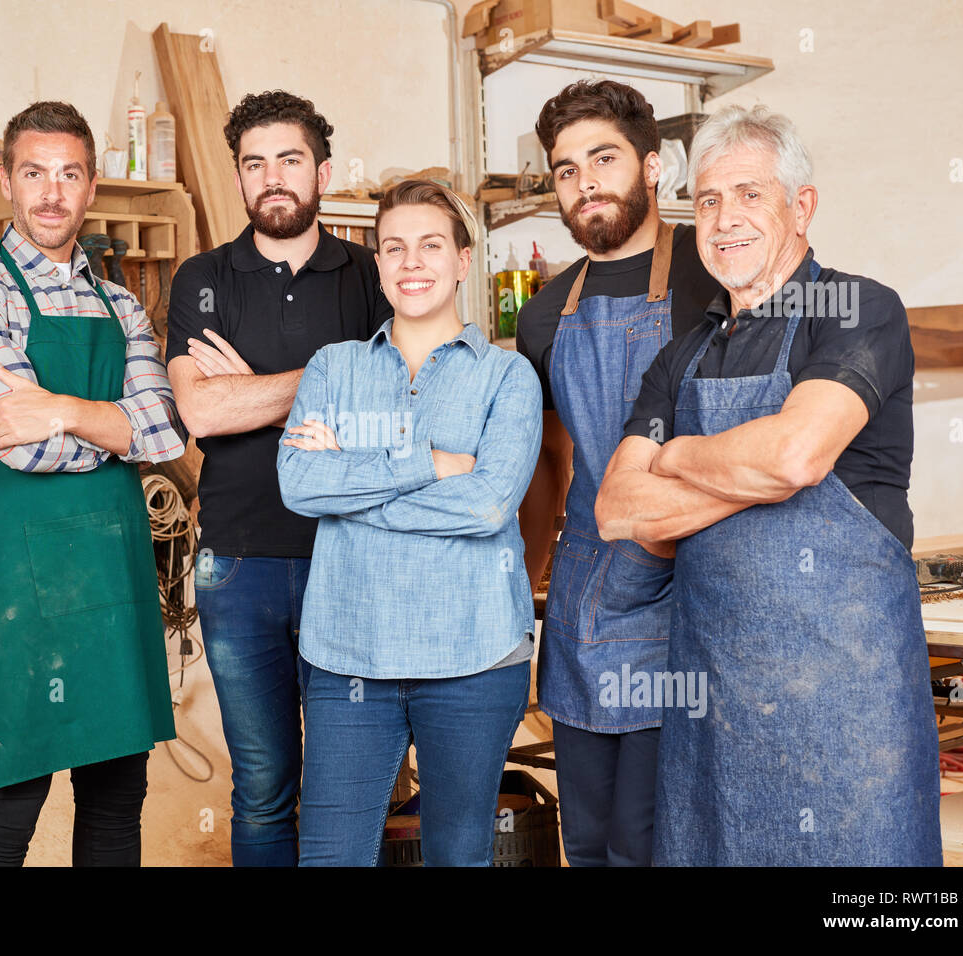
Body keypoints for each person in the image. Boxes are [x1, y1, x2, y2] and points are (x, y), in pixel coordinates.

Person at [596, 105, 942, 865]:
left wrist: (678, 453)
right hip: (715, 720)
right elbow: (619, 509)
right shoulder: (680, 358)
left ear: (802, 206)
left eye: (751, 194)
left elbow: (794, 457)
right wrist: (753, 470)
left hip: (848, 717)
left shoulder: (856, 310)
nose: (725, 220)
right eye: (710, 201)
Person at [0, 101, 185, 866]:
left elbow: (164, 430)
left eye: (69, 175)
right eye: (33, 173)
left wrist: (63, 410)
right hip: (19, 590)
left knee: (116, 804)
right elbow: (20, 447)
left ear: (92, 185)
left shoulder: (122, 303)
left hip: (115, 578)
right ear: (5, 179)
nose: (51, 193)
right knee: (5, 812)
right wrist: (111, 429)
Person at [278, 179, 542, 866]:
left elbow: (488, 506)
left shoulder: (508, 378)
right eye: (393, 247)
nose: (411, 262)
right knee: (330, 857)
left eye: (430, 245)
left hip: (474, 655)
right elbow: (301, 484)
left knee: (459, 854)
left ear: (462, 260)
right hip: (348, 656)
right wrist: (434, 461)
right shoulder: (333, 369)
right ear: (377, 261)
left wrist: (354, 478)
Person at [164, 91, 393, 866]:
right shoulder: (201, 277)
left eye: (289, 160)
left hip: (351, 560)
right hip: (238, 566)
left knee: (344, 783)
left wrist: (252, 390)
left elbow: (394, 410)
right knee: (263, 785)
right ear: (238, 178)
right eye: (254, 163)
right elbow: (197, 413)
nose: (273, 178)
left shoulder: (371, 274)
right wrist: (329, 381)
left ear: (323, 172)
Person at [515, 80, 722, 866]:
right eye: (566, 170)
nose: (585, 182)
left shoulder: (712, 280)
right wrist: (530, 576)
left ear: (652, 165)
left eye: (602, 159)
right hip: (582, 594)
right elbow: (547, 458)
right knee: (589, 837)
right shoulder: (544, 311)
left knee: (651, 839)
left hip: (683, 588)